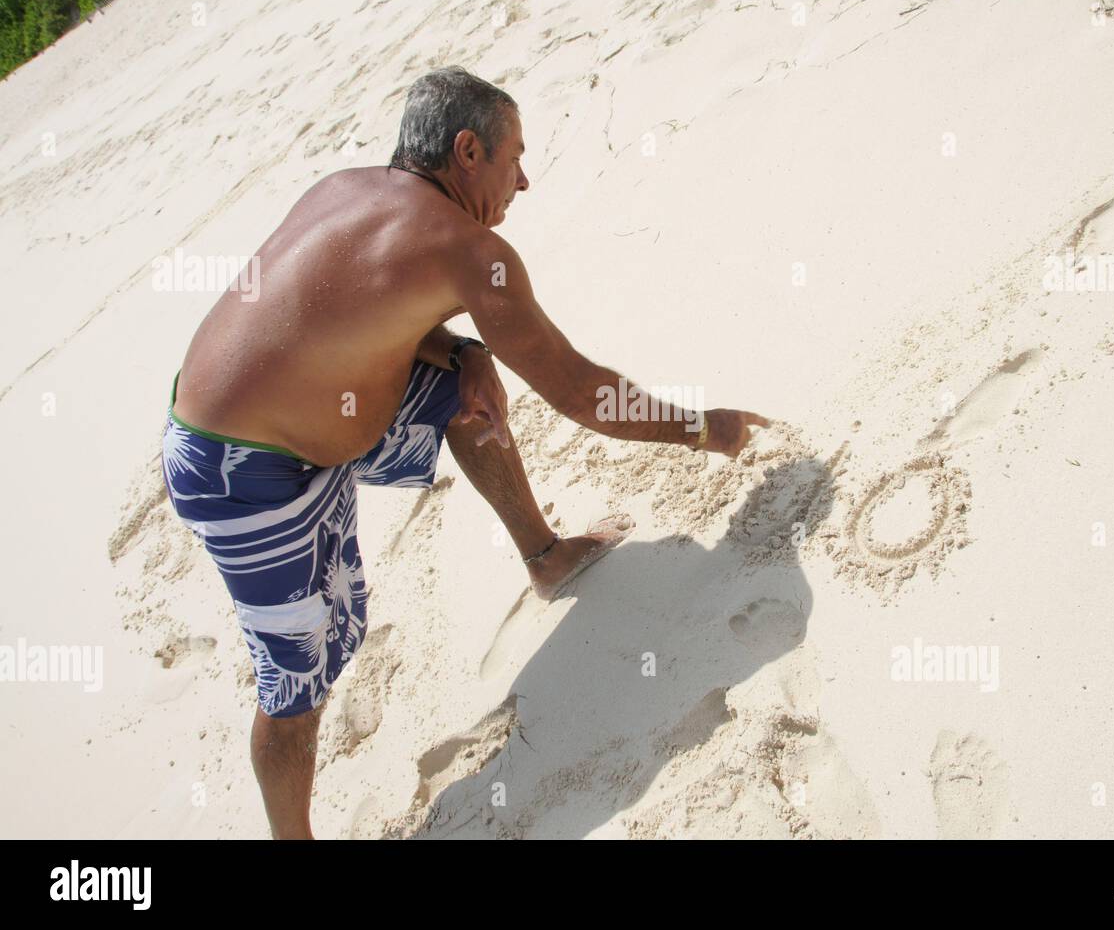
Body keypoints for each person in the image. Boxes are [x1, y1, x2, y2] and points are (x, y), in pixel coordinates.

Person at [161, 66, 768, 838]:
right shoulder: (470, 251)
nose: (526, 178)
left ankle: (543, 553)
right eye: (516, 156)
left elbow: (353, 311)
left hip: (300, 420)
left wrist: (458, 352)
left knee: (463, 394)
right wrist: (707, 428)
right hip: (240, 467)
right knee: (295, 686)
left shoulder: (346, 188)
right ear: (467, 150)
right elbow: (582, 394)